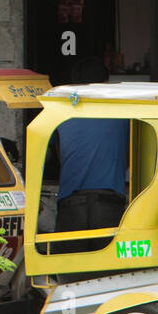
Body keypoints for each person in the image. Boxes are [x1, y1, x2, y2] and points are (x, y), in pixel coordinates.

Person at [54, 56, 128, 251]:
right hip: (109, 203)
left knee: (68, 276)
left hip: (70, 203)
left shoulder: (61, 112)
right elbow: (129, 156)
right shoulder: (121, 112)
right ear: (105, 81)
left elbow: (60, 154)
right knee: (111, 277)